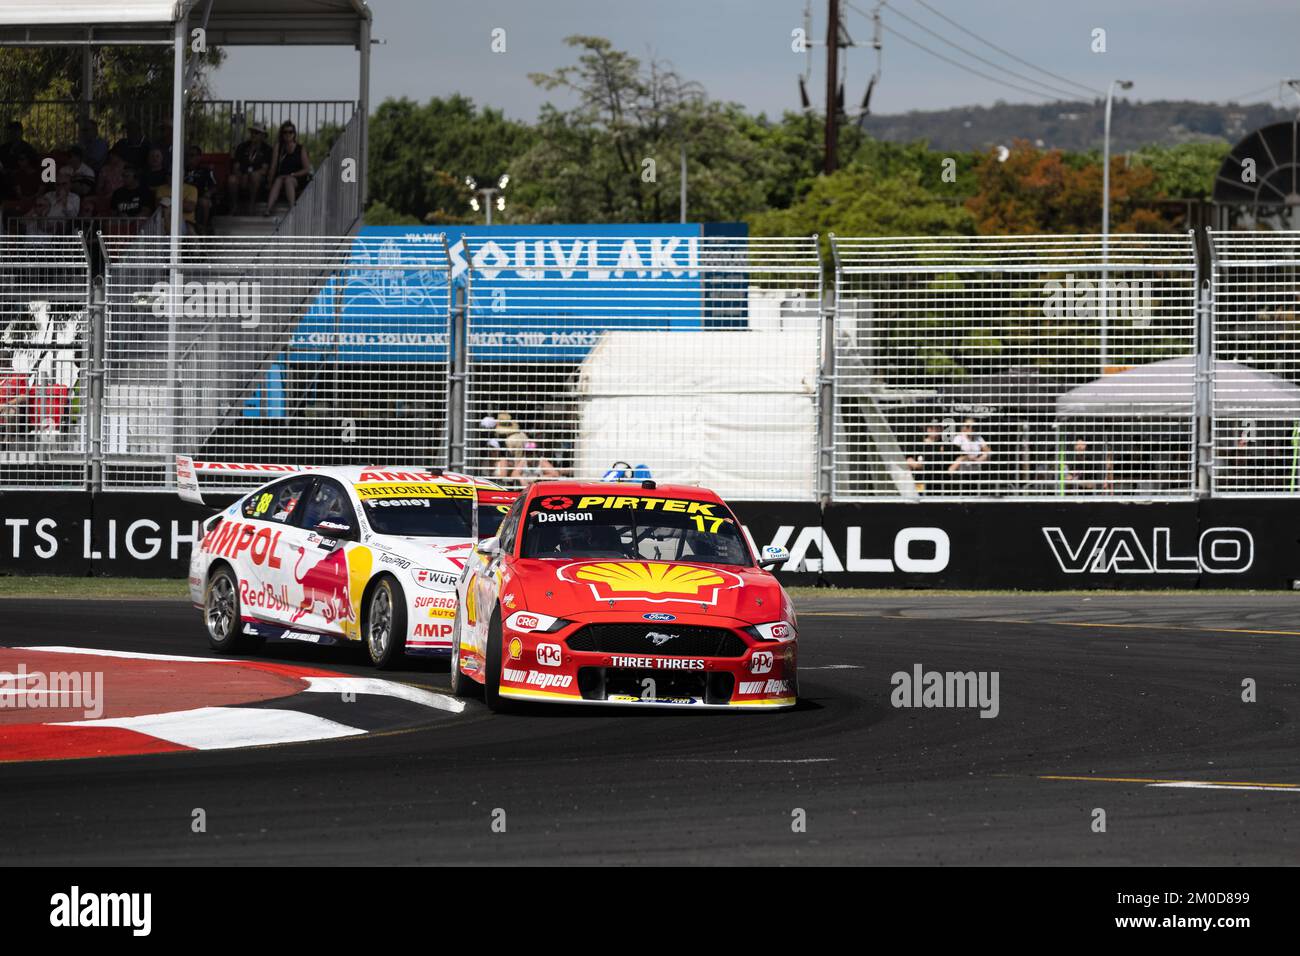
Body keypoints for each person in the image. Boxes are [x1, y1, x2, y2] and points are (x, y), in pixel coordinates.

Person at [264, 120, 312, 215]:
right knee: (278, 180)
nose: (288, 134)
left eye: (290, 132)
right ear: (282, 134)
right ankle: (268, 209)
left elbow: (307, 169)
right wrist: (269, 181)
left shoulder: (300, 148)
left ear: (294, 134)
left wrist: (292, 174)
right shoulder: (279, 147)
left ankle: (292, 209)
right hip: (281, 176)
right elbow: (273, 166)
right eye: (285, 132)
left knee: (288, 180)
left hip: (296, 177)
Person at [229, 123, 271, 214]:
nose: (253, 134)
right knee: (232, 179)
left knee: (255, 176)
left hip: (258, 178)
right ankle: (234, 206)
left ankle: (251, 205)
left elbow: (264, 170)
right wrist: (242, 175)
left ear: (263, 136)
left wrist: (248, 175)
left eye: (256, 133)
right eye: (252, 132)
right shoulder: (242, 147)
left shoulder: (267, 149)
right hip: (242, 175)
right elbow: (236, 166)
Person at [948, 418, 990, 491]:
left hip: (975, 471)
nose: (970, 429)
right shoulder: (959, 438)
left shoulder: (978, 438)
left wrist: (980, 458)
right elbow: (955, 452)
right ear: (964, 427)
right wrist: (967, 457)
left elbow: (988, 451)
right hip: (962, 472)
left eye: (973, 427)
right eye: (968, 426)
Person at [183, 145, 217, 233]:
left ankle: (202, 229)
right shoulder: (180, 170)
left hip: (200, 198)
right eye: (188, 155)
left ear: (199, 157)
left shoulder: (206, 171)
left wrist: (208, 193)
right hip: (185, 199)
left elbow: (214, 186)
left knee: (205, 202)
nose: (189, 158)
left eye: (192, 155)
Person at [905, 422, 944, 493]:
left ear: (941, 429)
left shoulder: (944, 445)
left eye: (937, 428)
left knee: (934, 500)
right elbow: (908, 458)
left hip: (936, 482)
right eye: (931, 428)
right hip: (919, 481)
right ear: (927, 429)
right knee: (919, 497)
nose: (934, 430)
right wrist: (913, 463)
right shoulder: (918, 444)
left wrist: (923, 465)